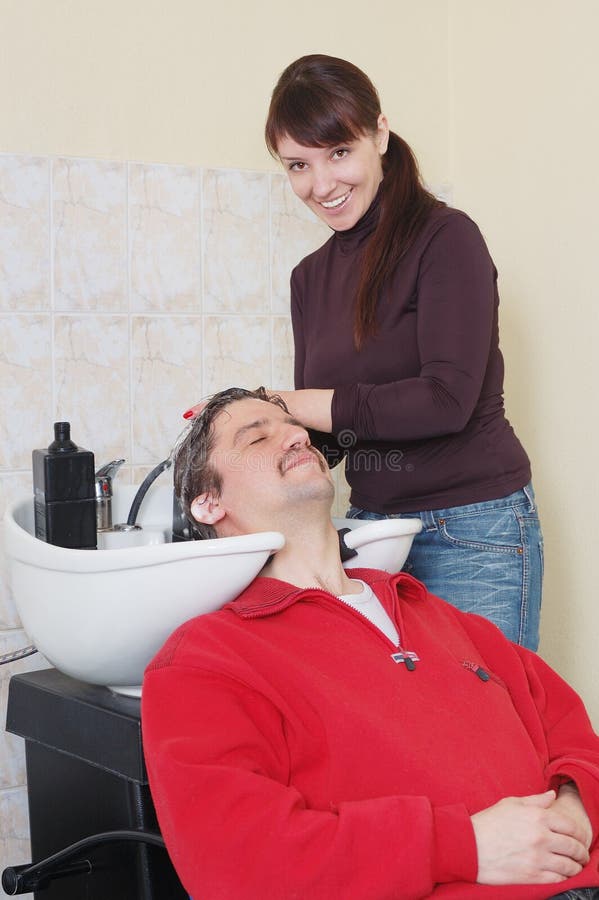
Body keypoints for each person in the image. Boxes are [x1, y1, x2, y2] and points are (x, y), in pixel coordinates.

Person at [143, 387, 599, 900]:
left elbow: (571, 733)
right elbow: (238, 865)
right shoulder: (205, 661)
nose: (296, 435)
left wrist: (577, 805)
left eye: (293, 427)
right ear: (208, 504)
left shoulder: (444, 619)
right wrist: (463, 845)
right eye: (257, 437)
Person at [193, 53, 544, 650]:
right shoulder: (309, 278)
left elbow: (446, 402)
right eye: (298, 165)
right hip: (375, 534)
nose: (321, 185)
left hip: (473, 529)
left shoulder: (445, 238)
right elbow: (336, 437)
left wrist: (301, 403)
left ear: (379, 134)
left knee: (484, 729)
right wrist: (257, 433)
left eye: (338, 153)